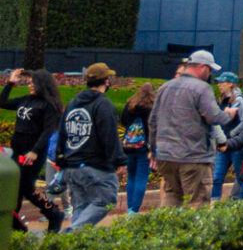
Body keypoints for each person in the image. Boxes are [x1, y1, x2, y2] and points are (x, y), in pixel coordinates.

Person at [151, 50, 237, 209]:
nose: (210, 73)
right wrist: (228, 115)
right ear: (203, 67)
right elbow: (213, 117)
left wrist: (153, 150)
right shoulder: (202, 88)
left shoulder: (165, 87)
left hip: (166, 155)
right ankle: (192, 233)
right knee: (197, 201)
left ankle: (165, 231)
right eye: (210, 69)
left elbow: (153, 121)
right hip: (193, 156)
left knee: (172, 194)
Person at [56, 63, 128, 230]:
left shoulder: (73, 103)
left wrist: (61, 159)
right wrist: (119, 161)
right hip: (95, 166)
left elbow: (62, 132)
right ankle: (71, 234)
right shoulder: (103, 104)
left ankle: (72, 247)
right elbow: (109, 136)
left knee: (81, 208)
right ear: (106, 81)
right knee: (106, 200)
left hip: (72, 166)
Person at [2, 68, 65, 233]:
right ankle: (16, 223)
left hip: (32, 154)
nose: (30, 85)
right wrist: (11, 83)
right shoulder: (26, 100)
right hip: (17, 152)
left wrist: (35, 151)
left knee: (23, 187)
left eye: (32, 83)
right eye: (28, 83)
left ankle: (51, 213)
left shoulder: (48, 106)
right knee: (20, 188)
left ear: (42, 85)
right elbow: (2, 102)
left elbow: (48, 130)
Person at [209, 72, 243, 201]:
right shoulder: (222, 100)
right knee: (217, 177)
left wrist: (231, 134)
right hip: (223, 144)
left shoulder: (239, 100)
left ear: (230, 84)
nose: (218, 85)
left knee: (241, 175)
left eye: (221, 82)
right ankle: (214, 203)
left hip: (237, 145)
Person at [119, 82, 157, 215]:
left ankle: (130, 207)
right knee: (141, 178)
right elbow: (153, 127)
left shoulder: (130, 105)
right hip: (144, 148)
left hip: (129, 146)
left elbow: (123, 121)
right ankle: (134, 210)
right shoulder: (151, 107)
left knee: (131, 177)